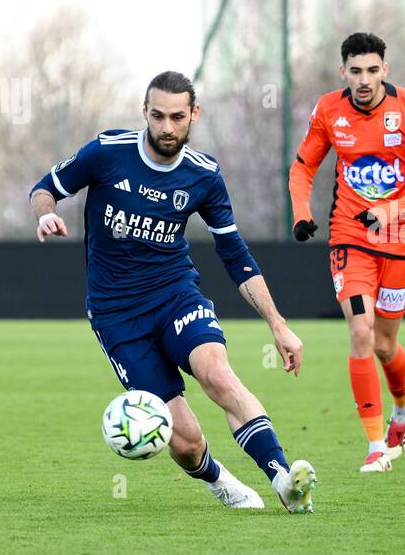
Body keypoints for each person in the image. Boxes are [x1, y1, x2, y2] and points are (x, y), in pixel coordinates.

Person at [31, 71, 316, 513]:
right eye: (158, 116)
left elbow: (235, 255)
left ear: (194, 115)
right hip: (117, 314)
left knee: (218, 375)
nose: (167, 127)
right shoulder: (107, 152)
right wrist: (46, 215)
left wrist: (278, 326)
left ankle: (282, 479)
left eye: (177, 117)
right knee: (184, 440)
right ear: (144, 112)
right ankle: (219, 480)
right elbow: (44, 188)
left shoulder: (203, 176)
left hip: (175, 294)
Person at [288, 33, 405, 473]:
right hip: (349, 237)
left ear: (386, 70)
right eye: (355, 71)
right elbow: (303, 166)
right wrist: (301, 212)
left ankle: (402, 406)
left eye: (372, 70)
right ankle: (376, 446)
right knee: (361, 331)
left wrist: (392, 209)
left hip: (400, 242)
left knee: (384, 343)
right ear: (343, 72)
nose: (364, 80)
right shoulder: (327, 110)